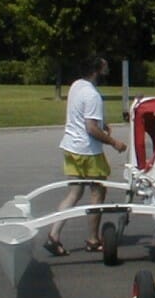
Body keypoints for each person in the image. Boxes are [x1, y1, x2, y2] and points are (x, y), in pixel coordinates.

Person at [45, 56, 127, 256]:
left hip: (71, 147)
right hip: (88, 151)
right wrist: (114, 143)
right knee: (98, 193)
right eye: (105, 67)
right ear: (97, 71)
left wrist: (103, 124)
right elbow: (91, 128)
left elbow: (83, 115)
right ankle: (92, 239)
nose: (108, 70)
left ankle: (53, 236)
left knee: (74, 193)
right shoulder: (93, 95)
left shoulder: (76, 86)